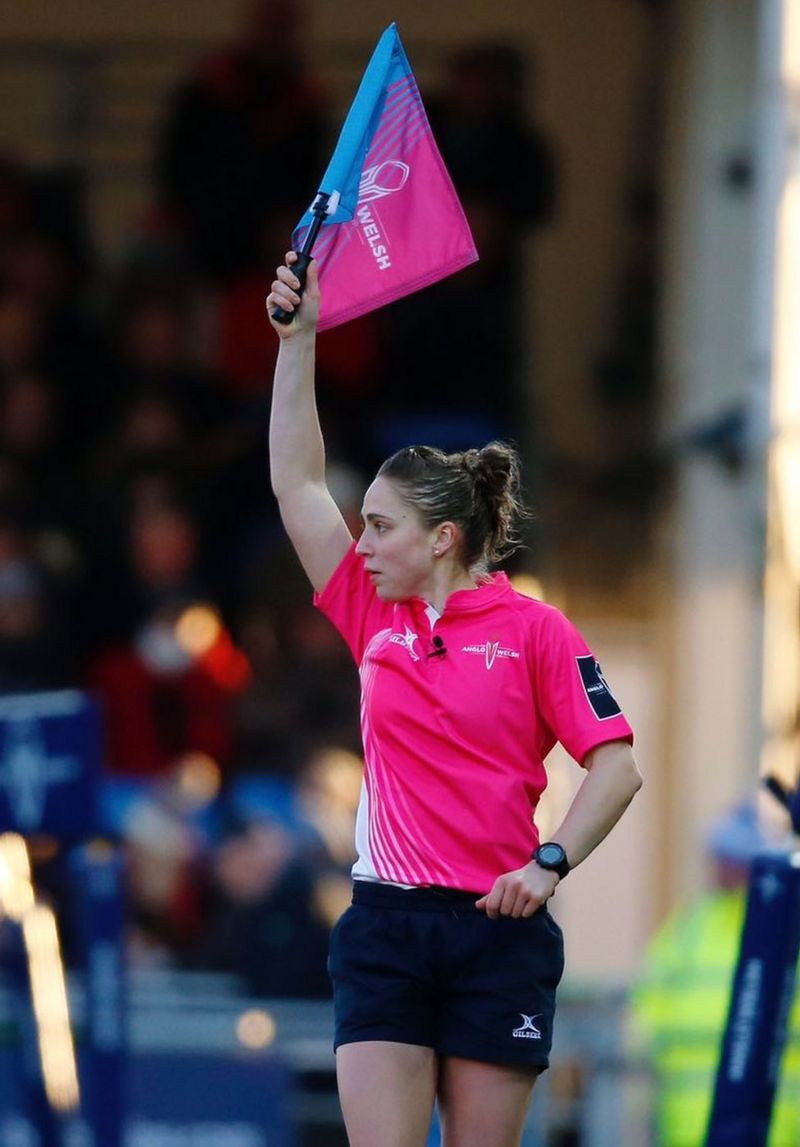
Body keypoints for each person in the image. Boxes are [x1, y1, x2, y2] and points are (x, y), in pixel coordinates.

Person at [265, 254, 643, 1147]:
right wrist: (298, 339)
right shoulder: (372, 612)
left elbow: (617, 767)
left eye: (381, 526)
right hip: (386, 922)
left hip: (495, 928)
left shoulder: (536, 630)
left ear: (442, 538)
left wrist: (548, 863)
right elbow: (297, 486)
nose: (361, 545)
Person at [632, 799, 800, 1146]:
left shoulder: (781, 924)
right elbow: (648, 1004)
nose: (723, 867)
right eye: (721, 856)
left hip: (772, 1121)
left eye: (733, 857)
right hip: (686, 1121)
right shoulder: (690, 925)